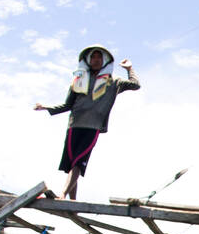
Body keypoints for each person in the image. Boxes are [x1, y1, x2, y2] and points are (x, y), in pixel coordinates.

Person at [34, 44, 140, 200]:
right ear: (88, 60)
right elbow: (67, 105)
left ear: (104, 61)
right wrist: (47, 107)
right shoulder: (79, 80)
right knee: (71, 164)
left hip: (93, 126)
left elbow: (135, 84)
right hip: (74, 124)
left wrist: (129, 68)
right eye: (93, 57)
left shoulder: (114, 81)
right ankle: (72, 201)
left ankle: (62, 194)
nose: (96, 60)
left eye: (99, 57)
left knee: (78, 162)